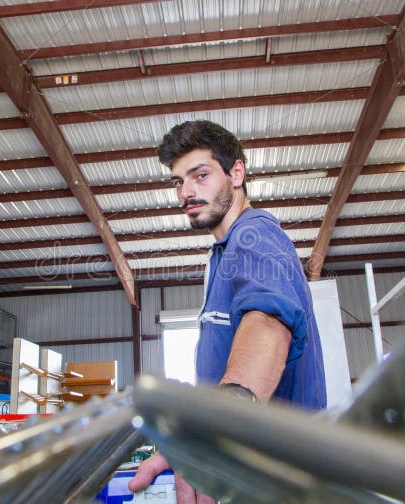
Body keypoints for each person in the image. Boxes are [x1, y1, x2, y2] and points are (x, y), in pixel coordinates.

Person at [128, 120, 327, 502]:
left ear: (236, 173)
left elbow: (267, 322)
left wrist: (215, 430)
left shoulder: (254, 236)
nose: (186, 191)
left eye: (200, 175)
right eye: (178, 181)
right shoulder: (223, 253)